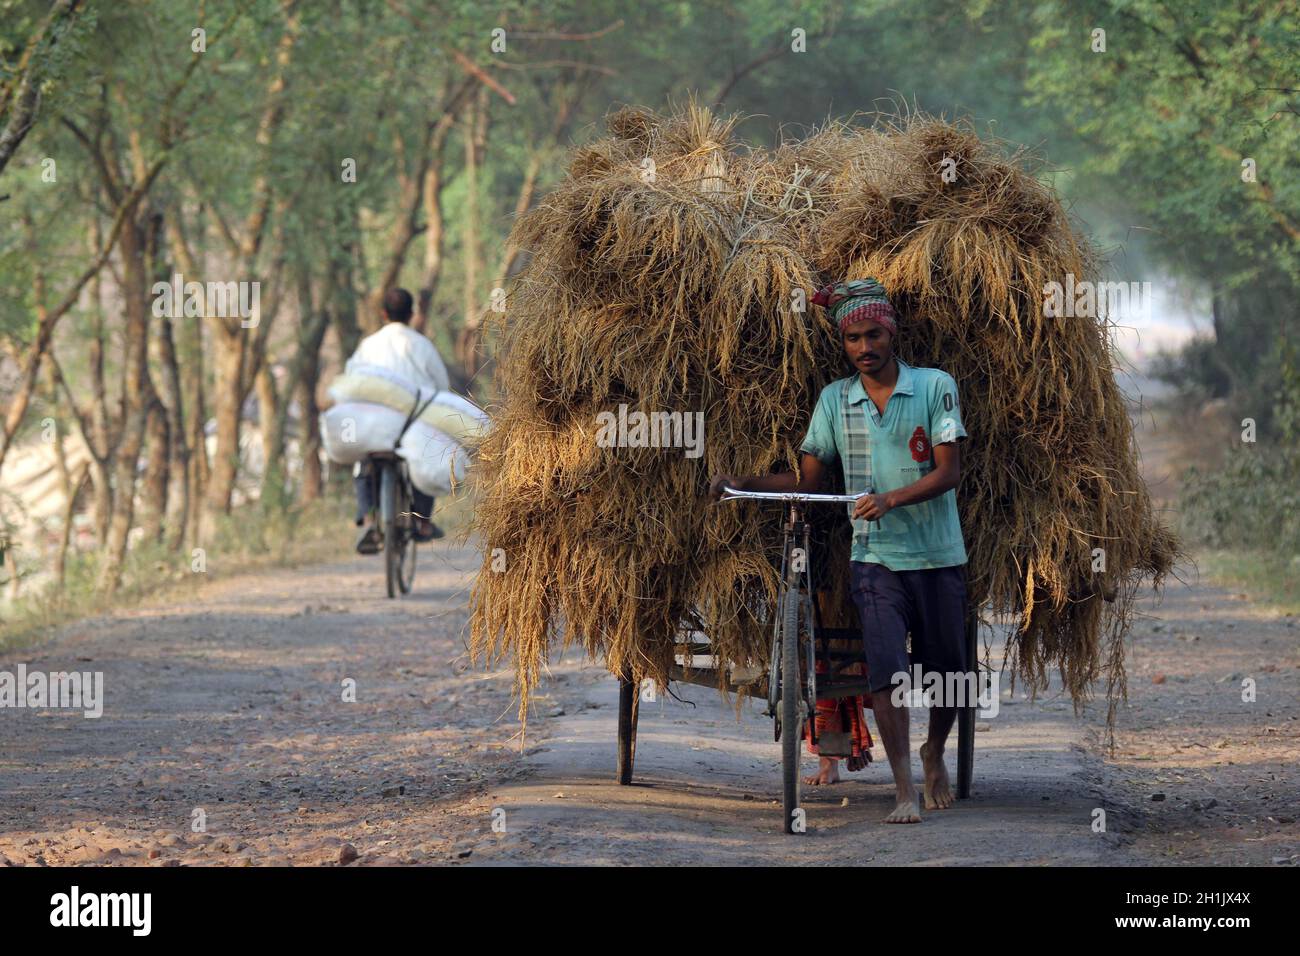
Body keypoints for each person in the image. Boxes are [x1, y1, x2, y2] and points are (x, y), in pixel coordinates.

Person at [710, 278, 970, 823]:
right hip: (873, 559)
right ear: (843, 341)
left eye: (873, 335)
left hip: (938, 555)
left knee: (948, 672)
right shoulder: (835, 399)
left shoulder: (934, 386)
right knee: (886, 674)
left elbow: (949, 471)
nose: (864, 347)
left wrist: (892, 498)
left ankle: (936, 751)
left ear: (891, 332)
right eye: (853, 338)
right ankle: (905, 789)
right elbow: (809, 480)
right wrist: (740, 479)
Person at [351, 288, 447, 553]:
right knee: (427, 459)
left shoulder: (367, 346)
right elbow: (442, 387)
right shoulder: (422, 345)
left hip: (376, 425)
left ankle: (370, 519)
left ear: (383, 314)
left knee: (364, 466)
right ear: (412, 314)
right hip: (414, 426)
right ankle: (423, 523)